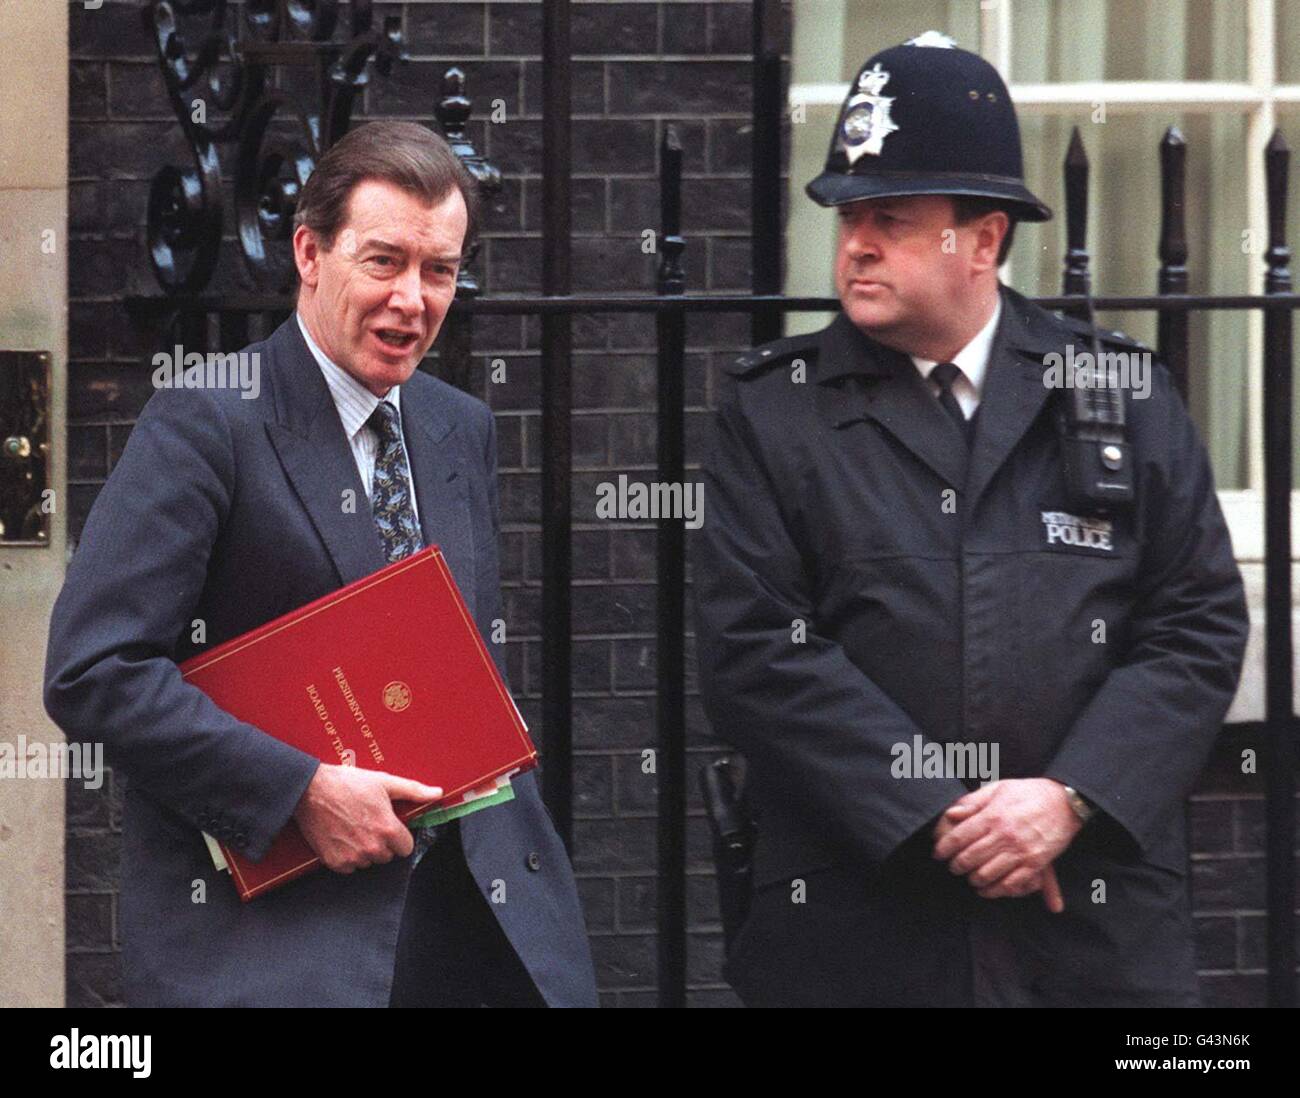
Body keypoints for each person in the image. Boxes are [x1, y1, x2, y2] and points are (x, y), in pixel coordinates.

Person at [693, 34, 1249, 1007]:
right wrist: (940, 817)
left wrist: (1068, 799)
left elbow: (1196, 625)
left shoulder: (1117, 386)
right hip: (861, 930)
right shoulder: (771, 411)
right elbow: (755, 651)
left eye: (890, 219)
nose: (854, 243)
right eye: (847, 216)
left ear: (983, 240)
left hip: (1089, 933)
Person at [43, 121, 597, 1008]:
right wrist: (297, 790)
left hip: (477, 931)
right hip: (282, 949)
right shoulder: (207, 422)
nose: (413, 299)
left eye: (440, 270)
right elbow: (91, 672)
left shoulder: (461, 427)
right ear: (308, 252)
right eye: (383, 261)